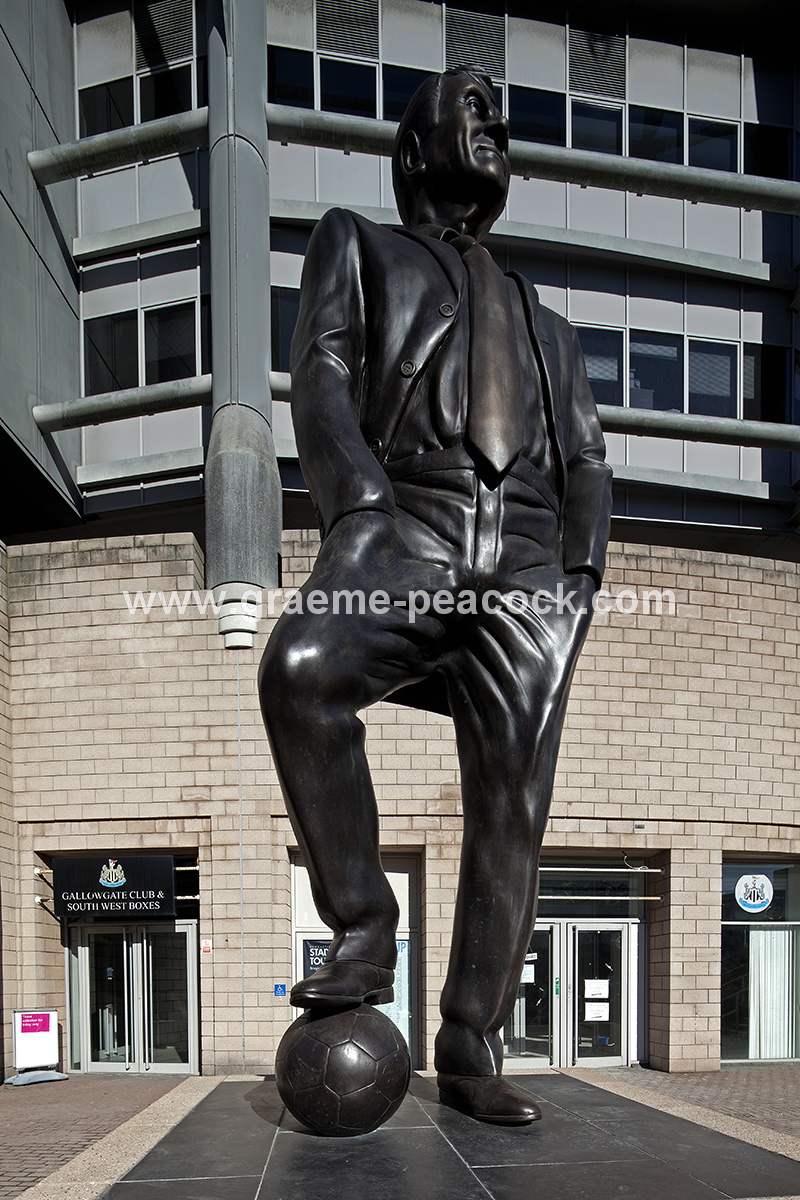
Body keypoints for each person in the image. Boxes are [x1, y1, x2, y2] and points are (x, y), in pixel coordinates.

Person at [260, 66, 612, 1125]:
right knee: (301, 673)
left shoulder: (544, 320)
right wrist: (359, 508)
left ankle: (469, 1049)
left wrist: (580, 577)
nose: (497, 126)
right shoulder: (355, 244)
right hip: (409, 523)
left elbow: (589, 458)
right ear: (414, 150)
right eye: (472, 111)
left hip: (529, 570)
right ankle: (363, 927)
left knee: (512, 809)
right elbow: (319, 373)